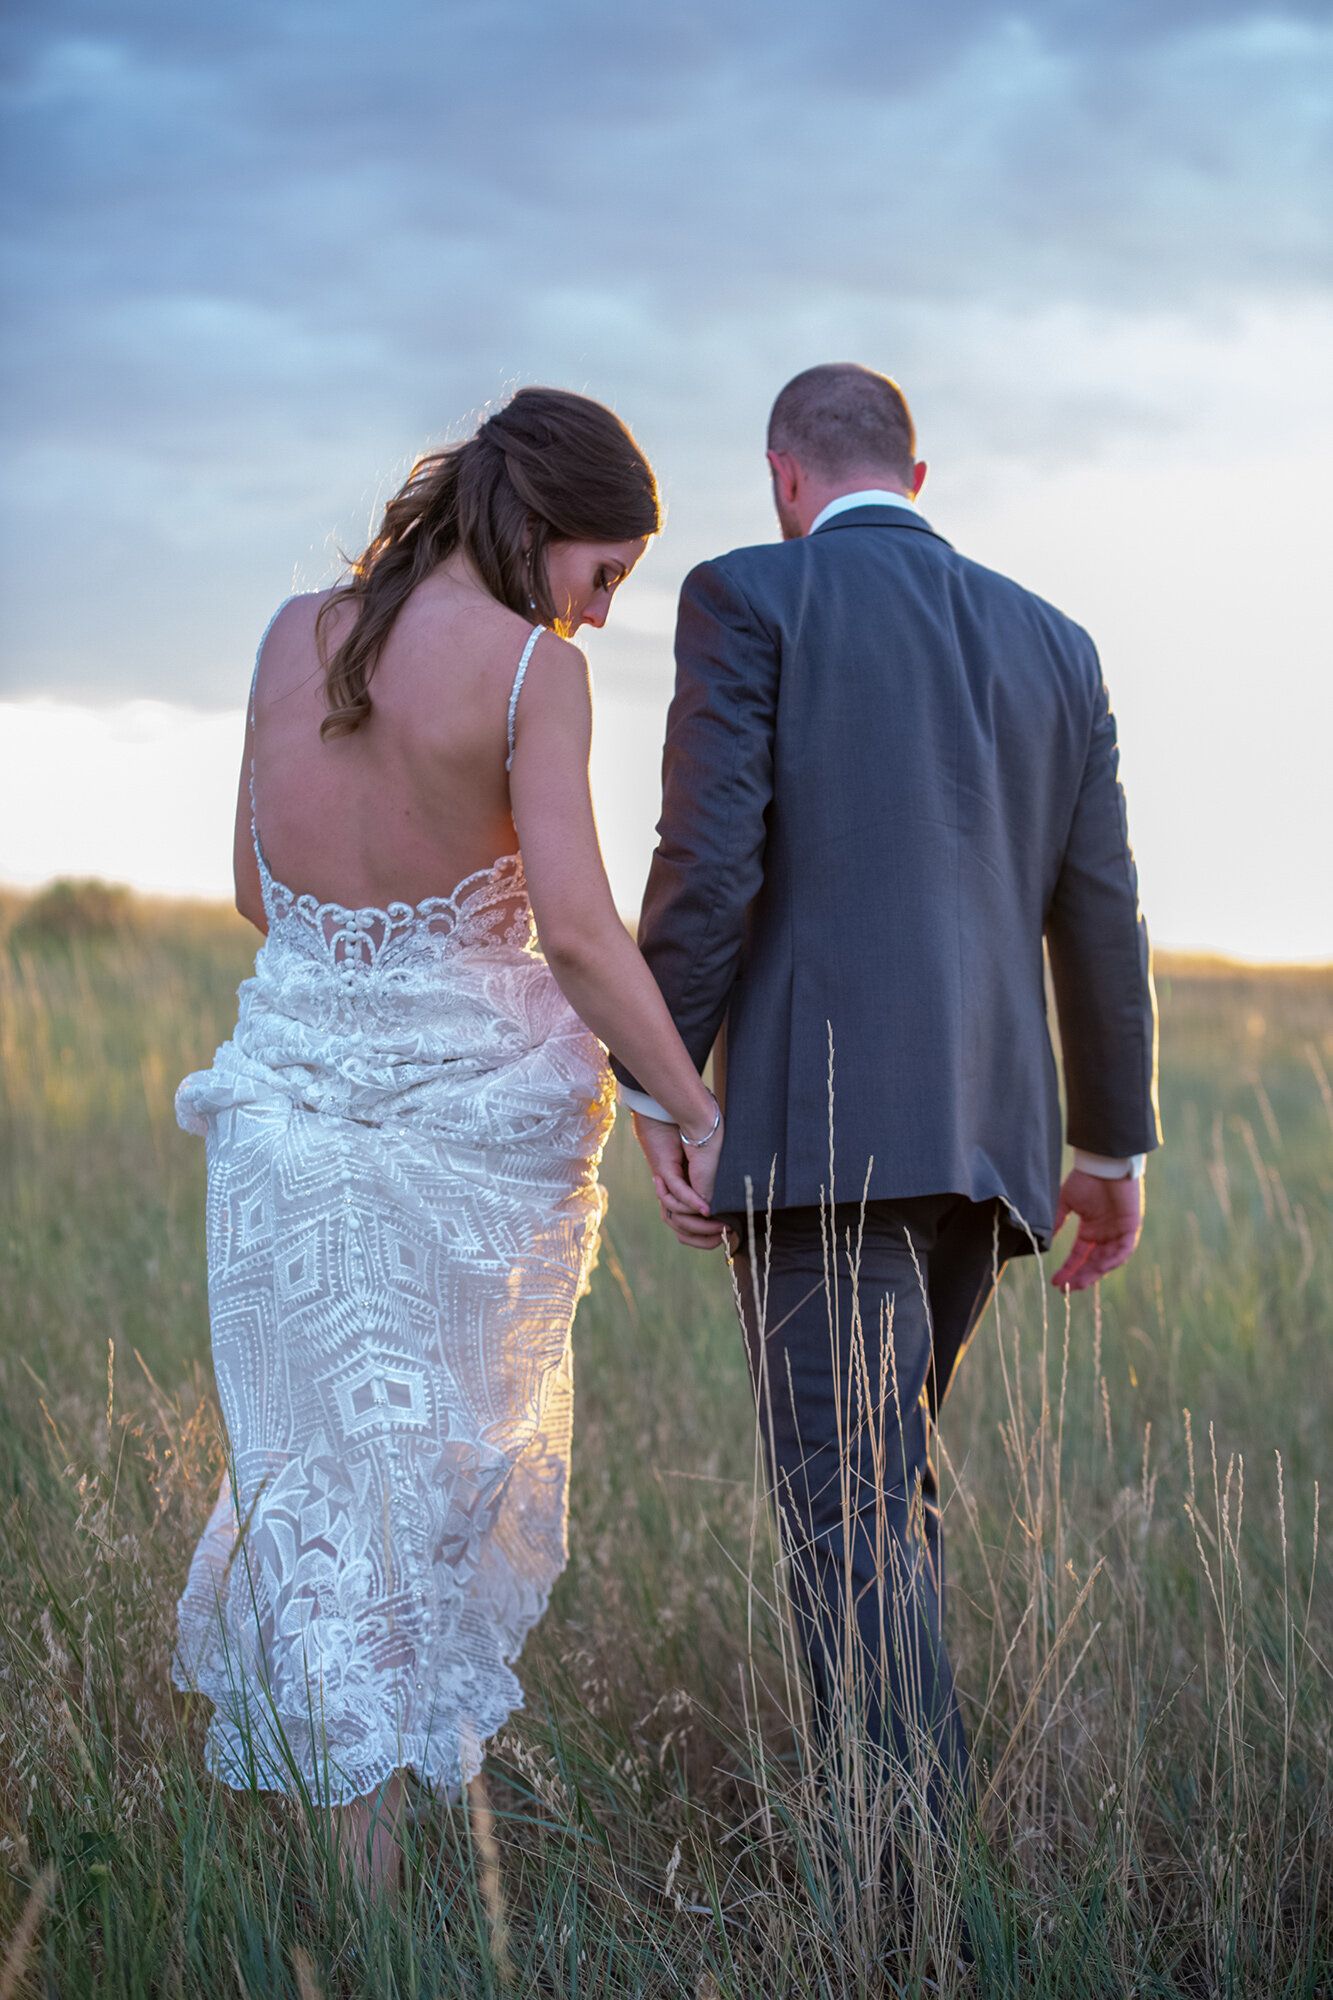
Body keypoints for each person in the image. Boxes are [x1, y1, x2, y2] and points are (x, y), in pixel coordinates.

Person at [172, 387, 722, 1891]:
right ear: (541, 529)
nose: (601, 614)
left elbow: (253, 888)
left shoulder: (297, 632)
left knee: (315, 1495)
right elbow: (588, 939)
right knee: (415, 1506)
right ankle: (370, 1910)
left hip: (283, 1126)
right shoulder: (533, 676)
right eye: (602, 574)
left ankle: (341, 1872)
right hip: (453, 1151)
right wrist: (691, 1100)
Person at [617, 363, 1161, 1849]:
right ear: (914, 482)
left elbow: (708, 858)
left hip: (819, 1137)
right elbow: (1098, 912)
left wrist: (660, 1084)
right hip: (990, 1151)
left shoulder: (750, 598)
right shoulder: (1057, 642)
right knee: (882, 1503)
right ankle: (903, 1853)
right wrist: (1105, 1145)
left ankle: (907, 1892)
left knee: (851, 1520)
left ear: (784, 477)